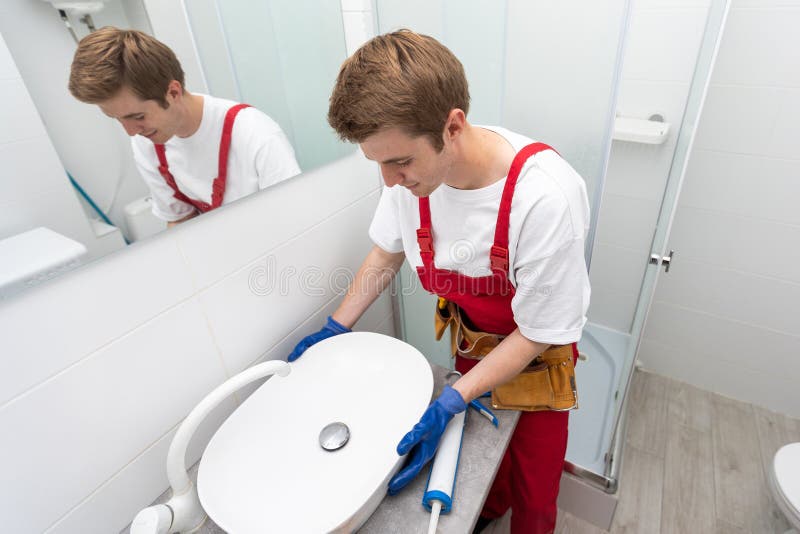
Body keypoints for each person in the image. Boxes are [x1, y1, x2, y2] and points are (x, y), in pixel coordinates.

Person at [289, 30, 590, 533]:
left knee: (536, 492)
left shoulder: (543, 197)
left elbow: (538, 331)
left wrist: (452, 399)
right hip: (473, 345)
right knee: (481, 466)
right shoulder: (416, 179)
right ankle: (486, 515)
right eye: (379, 162)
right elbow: (386, 255)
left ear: (453, 126)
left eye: (399, 161)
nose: (389, 181)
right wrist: (335, 327)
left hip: (538, 357)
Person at [68, 27, 300, 227]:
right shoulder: (147, 142)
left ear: (173, 92)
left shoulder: (256, 135)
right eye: (116, 118)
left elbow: (299, 223)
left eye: (137, 116)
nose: (130, 131)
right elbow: (179, 221)